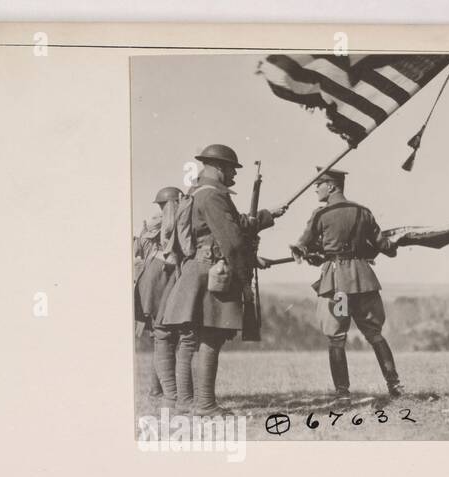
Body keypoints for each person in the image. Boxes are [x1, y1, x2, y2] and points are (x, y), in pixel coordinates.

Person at [159, 143, 281, 416]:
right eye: (231, 169)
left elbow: (231, 226)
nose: (234, 176)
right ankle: (205, 404)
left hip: (196, 271)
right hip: (213, 273)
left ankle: (183, 402)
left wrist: (266, 217)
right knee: (211, 339)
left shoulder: (195, 193)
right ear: (218, 168)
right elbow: (233, 240)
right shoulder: (213, 196)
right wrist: (246, 269)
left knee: (189, 341)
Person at [290, 168, 406, 400]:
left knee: (336, 337)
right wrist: (397, 243)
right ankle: (395, 386)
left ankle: (342, 394)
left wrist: (307, 252)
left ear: (331, 186)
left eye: (319, 184)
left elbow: (302, 247)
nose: (316, 189)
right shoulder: (363, 212)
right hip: (364, 282)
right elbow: (385, 246)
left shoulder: (320, 215)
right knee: (375, 334)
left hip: (337, 285)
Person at [134, 186, 184, 404]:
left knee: (162, 336)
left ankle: (157, 390)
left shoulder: (157, 224)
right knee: (163, 335)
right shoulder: (164, 222)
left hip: (156, 278)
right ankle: (165, 393)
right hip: (159, 279)